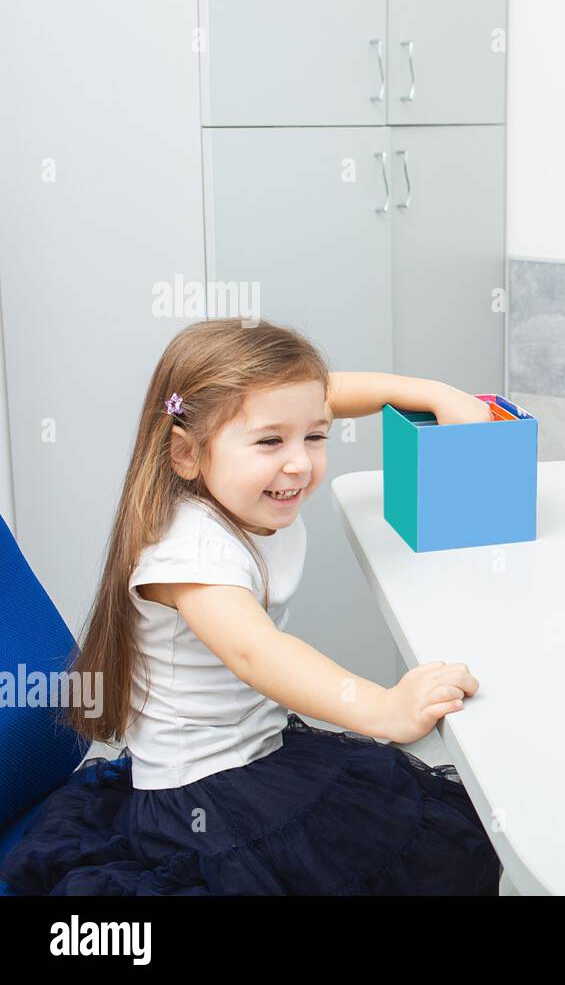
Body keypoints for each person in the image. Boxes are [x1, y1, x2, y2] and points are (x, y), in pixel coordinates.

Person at [0, 318, 502, 894]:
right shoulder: (190, 551)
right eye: (270, 441)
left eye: (315, 436)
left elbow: (323, 393)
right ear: (186, 454)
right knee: (425, 855)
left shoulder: (241, 484)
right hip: (208, 793)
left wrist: (430, 393)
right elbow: (254, 652)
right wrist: (383, 710)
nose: (299, 463)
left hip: (253, 749)